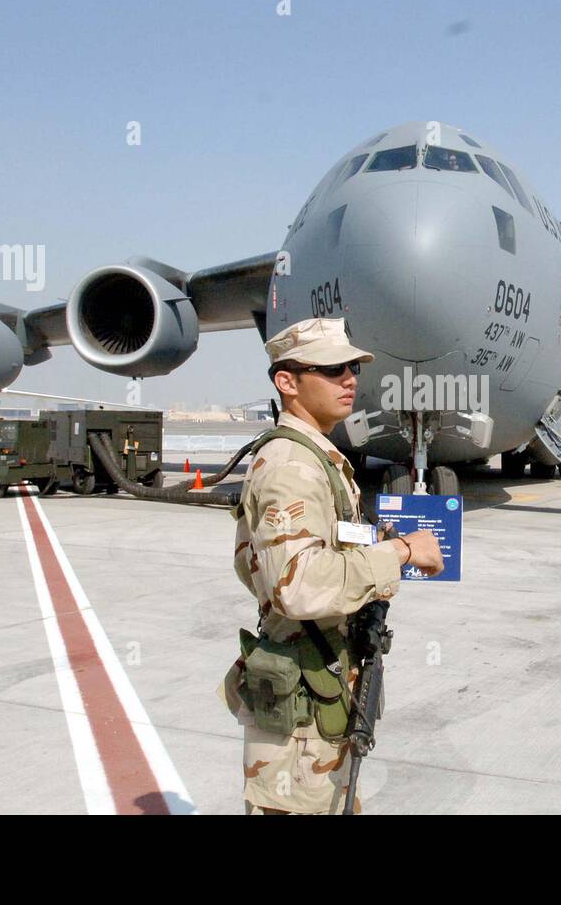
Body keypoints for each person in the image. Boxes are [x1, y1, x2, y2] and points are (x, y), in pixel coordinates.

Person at [222, 317, 444, 814]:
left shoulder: (316, 458)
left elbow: (249, 562)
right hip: (301, 715)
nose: (349, 379)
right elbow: (296, 586)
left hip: (323, 688)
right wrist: (400, 554)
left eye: (352, 368)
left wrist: (367, 552)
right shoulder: (292, 466)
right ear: (287, 382)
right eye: (331, 369)